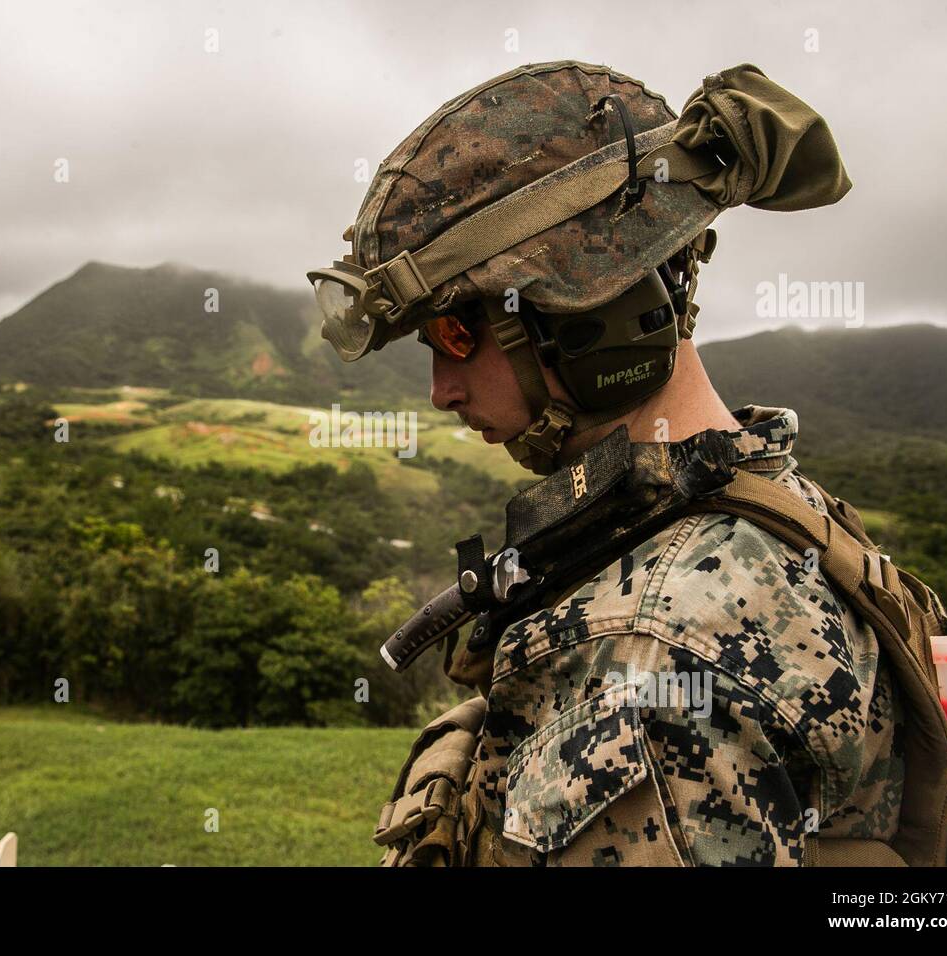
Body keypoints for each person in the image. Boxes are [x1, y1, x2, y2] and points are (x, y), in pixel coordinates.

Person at [308, 61, 912, 866]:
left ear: (597, 312)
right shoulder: (770, 512)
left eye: (457, 335)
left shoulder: (657, 649)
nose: (441, 391)